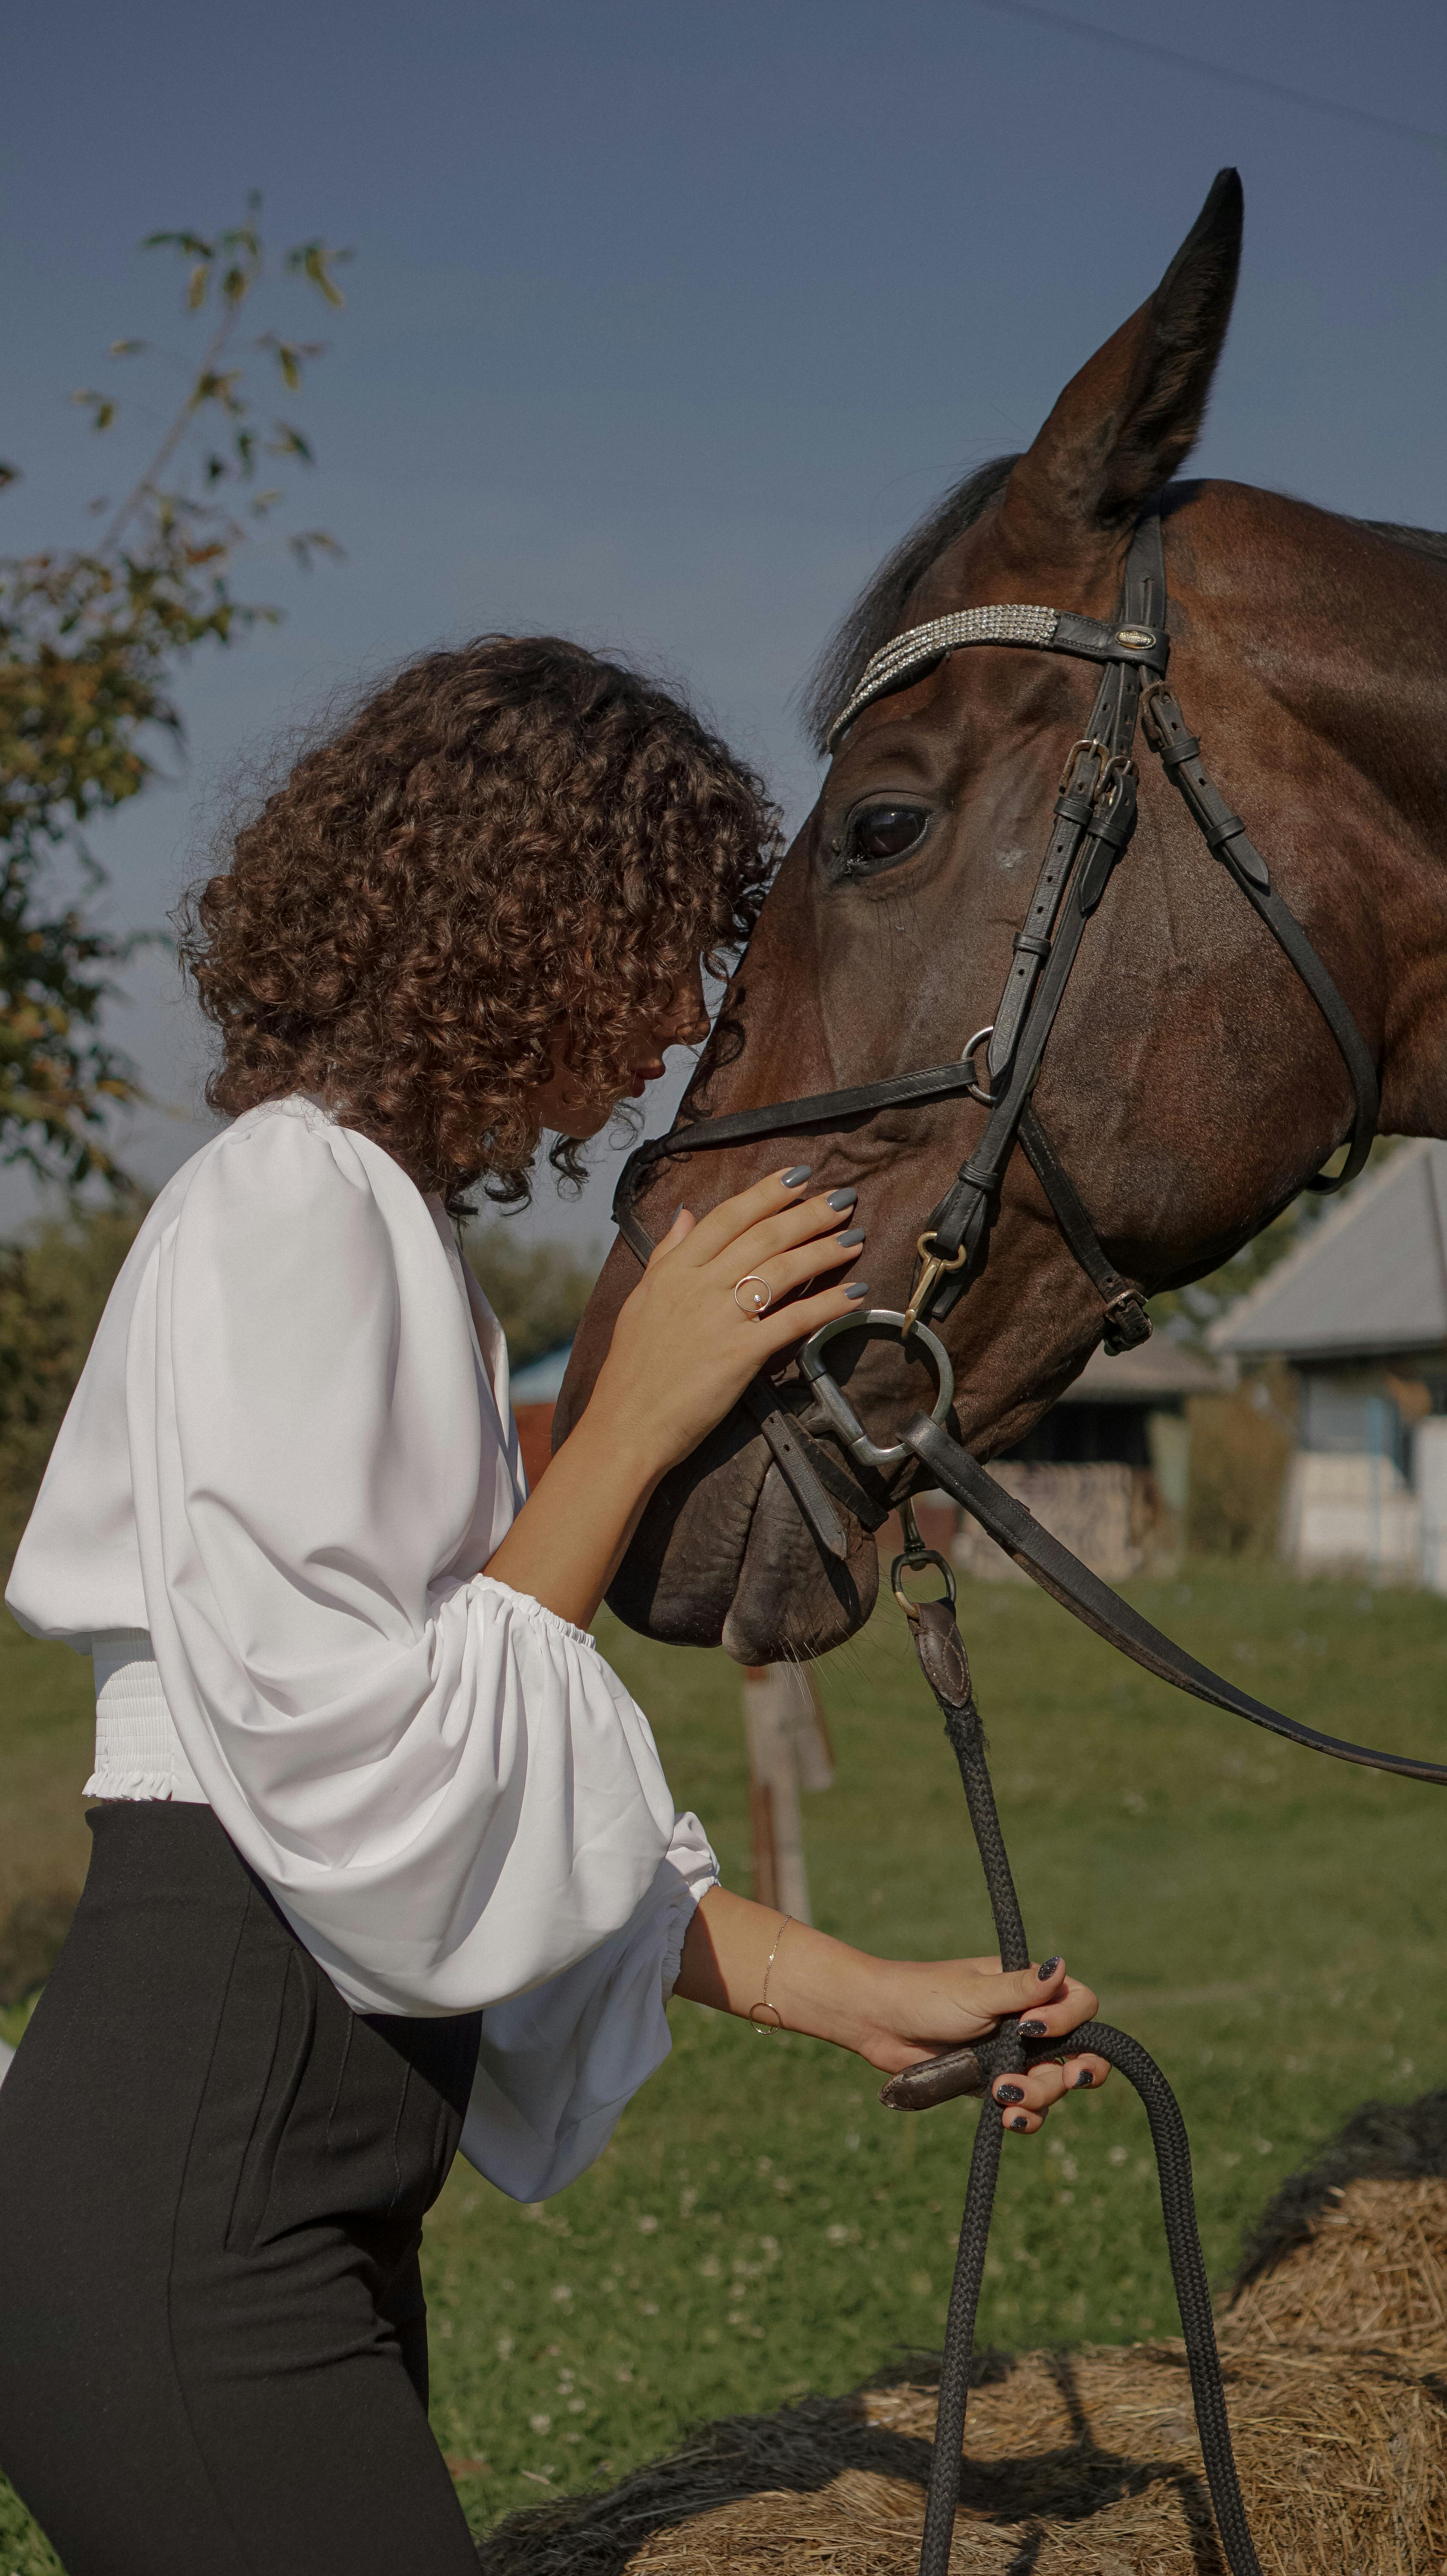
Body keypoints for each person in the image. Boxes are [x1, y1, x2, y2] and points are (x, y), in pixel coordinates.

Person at [0, 638, 1107, 2576]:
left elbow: (486, 1785)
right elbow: (373, 1780)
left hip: (277, 2214)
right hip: (187, 2225)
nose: (688, 1014)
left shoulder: (383, 1230)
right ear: (511, 916)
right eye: (658, 942)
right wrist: (632, 1418)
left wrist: (867, 2004)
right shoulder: (290, 1203)